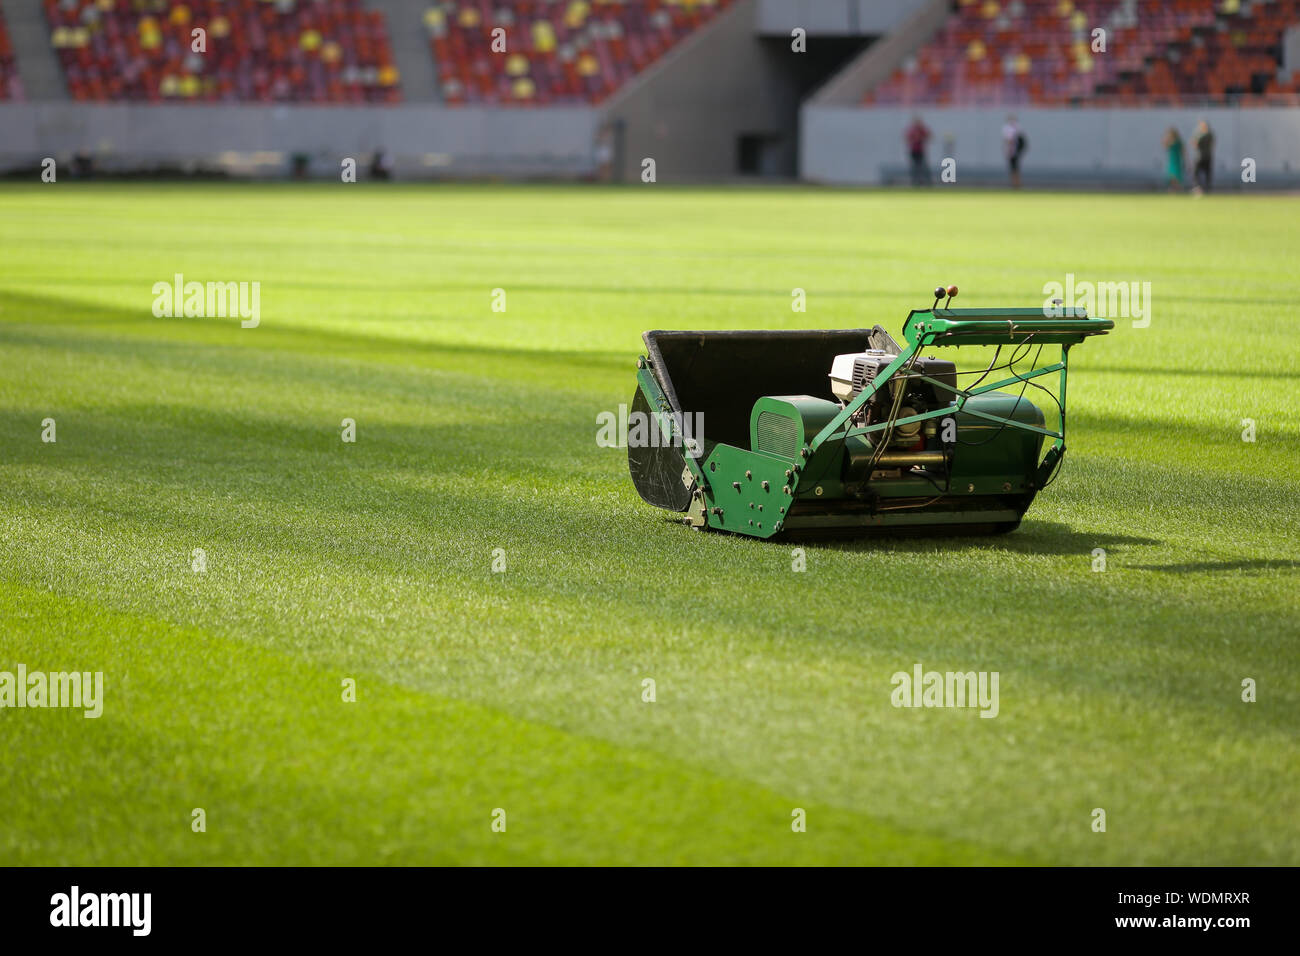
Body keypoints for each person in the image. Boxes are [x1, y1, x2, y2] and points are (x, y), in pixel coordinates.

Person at [904, 115, 931, 185]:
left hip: (920, 151)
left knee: (923, 167)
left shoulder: (922, 130)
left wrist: (921, 138)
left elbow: (929, 136)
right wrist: (915, 140)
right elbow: (908, 138)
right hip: (914, 151)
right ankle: (915, 182)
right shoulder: (912, 130)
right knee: (915, 167)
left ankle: (926, 182)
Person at [1002, 115, 1026, 188]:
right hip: (1016, 151)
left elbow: (1009, 140)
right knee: (1015, 168)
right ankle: (1017, 184)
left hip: (1013, 152)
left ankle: (1015, 184)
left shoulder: (1009, 129)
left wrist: (1008, 150)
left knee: (1013, 169)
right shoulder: (1017, 128)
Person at [1192, 120, 1215, 194]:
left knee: (1196, 173)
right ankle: (1207, 188)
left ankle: (1198, 188)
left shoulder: (1200, 135)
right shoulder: (1210, 134)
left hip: (1200, 156)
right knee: (1207, 173)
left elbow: (1194, 144)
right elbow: (1213, 144)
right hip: (1207, 156)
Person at [1163, 127, 1184, 192]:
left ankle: (1178, 189)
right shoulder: (1169, 141)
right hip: (1172, 160)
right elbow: (1165, 146)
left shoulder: (1179, 142)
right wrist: (1166, 138)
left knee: (1176, 176)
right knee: (1171, 176)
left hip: (1177, 160)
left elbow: (1183, 151)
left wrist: (1186, 161)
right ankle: (1173, 188)